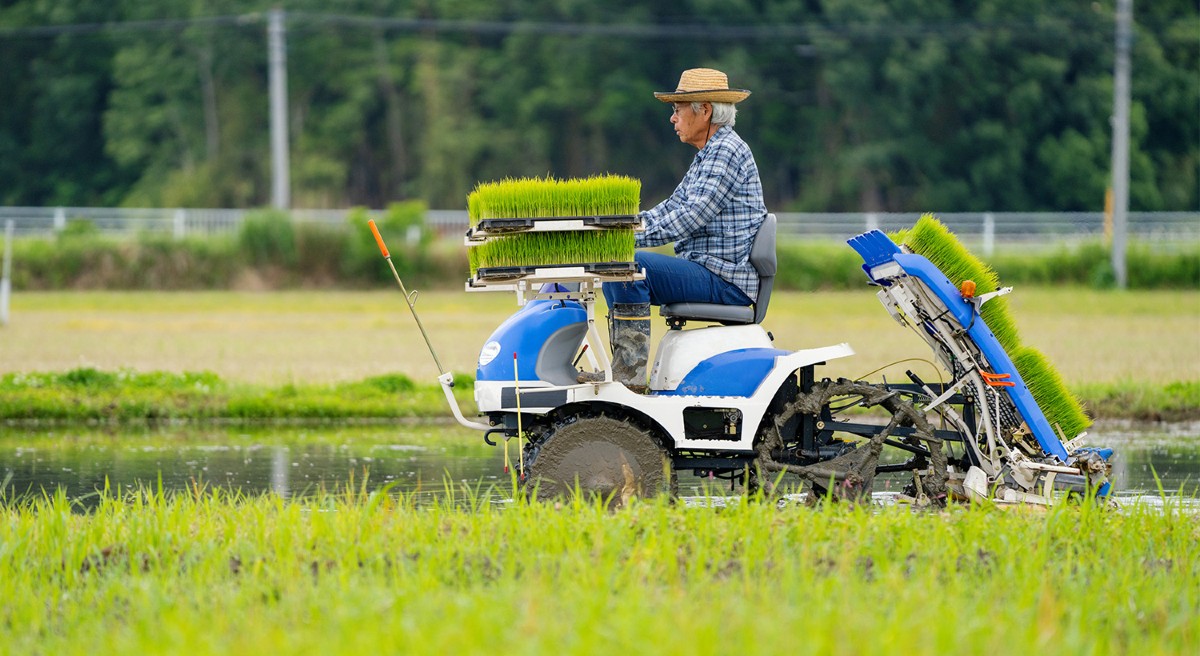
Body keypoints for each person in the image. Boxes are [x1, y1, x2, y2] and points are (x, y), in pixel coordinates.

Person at [586, 68, 768, 390]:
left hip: (724, 279)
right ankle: (625, 373)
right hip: (708, 272)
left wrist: (626, 242)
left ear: (706, 110)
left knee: (630, 266)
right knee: (621, 265)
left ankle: (628, 379)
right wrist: (619, 231)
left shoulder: (726, 151)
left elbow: (691, 216)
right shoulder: (709, 154)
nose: (673, 118)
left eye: (678, 109)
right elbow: (671, 207)